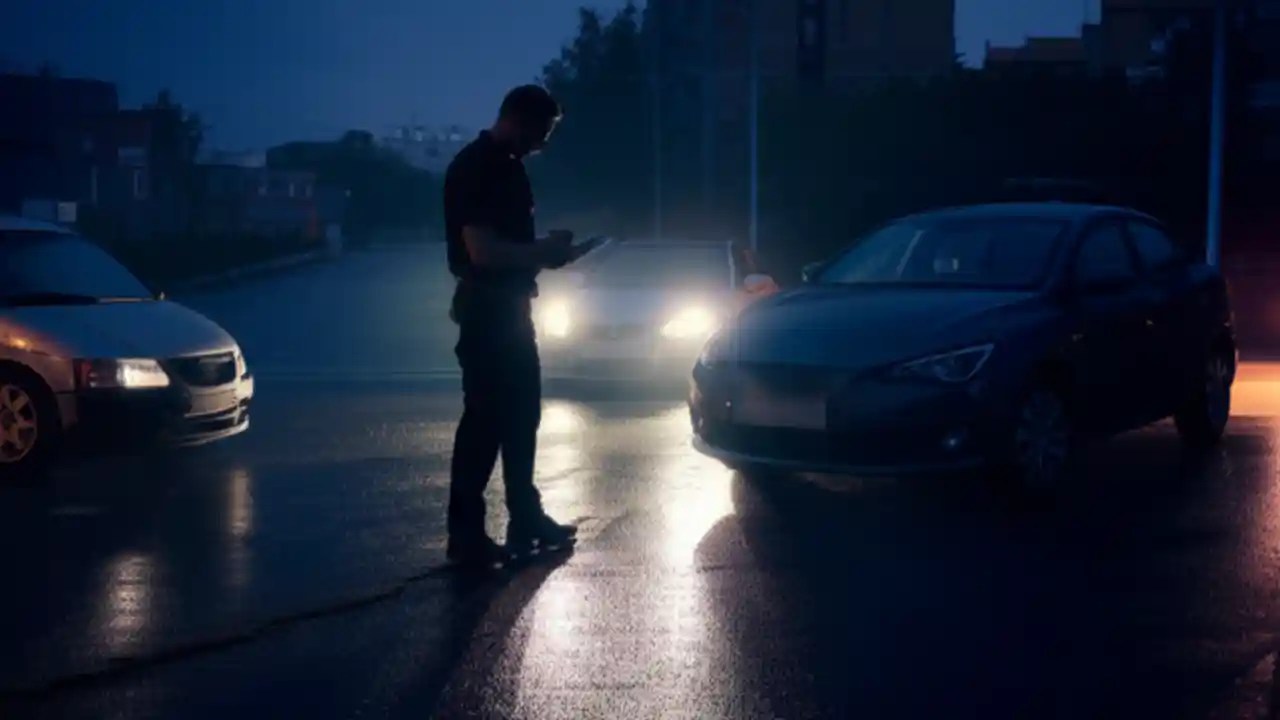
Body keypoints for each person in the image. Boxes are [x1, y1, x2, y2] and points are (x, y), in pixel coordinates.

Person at [442, 85, 587, 566]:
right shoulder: (475, 167)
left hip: (511, 310)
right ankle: (465, 538)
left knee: (522, 416)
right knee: (484, 422)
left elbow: (505, 249)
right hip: (487, 312)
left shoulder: (508, 169)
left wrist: (546, 253)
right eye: (540, 133)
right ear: (517, 120)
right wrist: (544, 252)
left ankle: (525, 517)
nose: (541, 144)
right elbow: (482, 251)